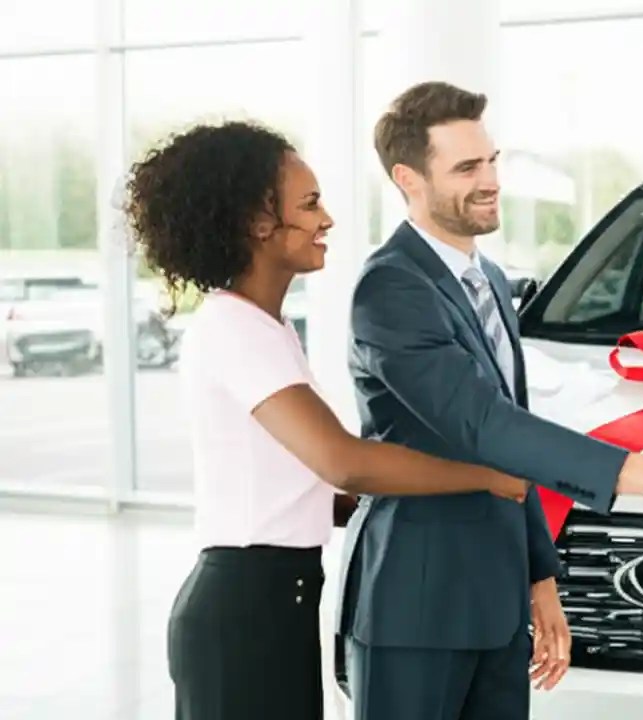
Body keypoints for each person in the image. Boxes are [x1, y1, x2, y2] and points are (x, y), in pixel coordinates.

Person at [334, 81, 643, 719]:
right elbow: (488, 427)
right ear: (409, 179)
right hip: (417, 609)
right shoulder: (390, 289)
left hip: (498, 606)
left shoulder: (483, 279)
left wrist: (540, 578)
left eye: (491, 161)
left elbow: (519, 439)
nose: (490, 181)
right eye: (466, 168)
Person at [123, 120, 542, 720]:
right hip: (245, 608)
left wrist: (399, 513)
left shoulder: (270, 330)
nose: (327, 221)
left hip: (279, 600)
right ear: (257, 222)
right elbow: (344, 460)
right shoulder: (234, 329)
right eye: (310, 204)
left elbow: (305, 487)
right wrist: (486, 475)